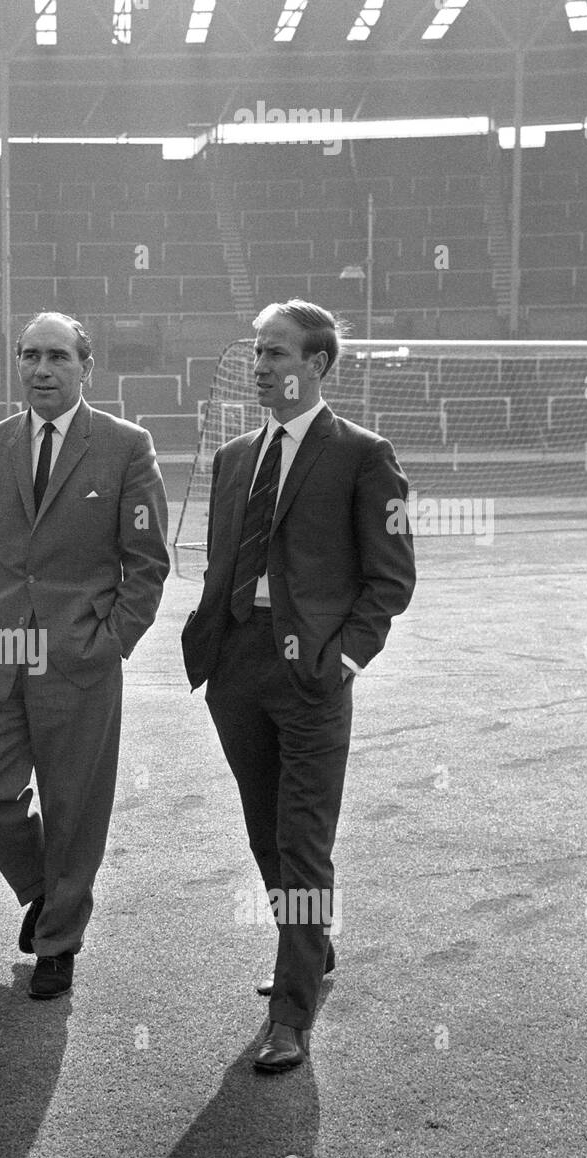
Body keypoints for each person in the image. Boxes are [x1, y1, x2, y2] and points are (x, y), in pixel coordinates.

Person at [181, 299, 415, 1071]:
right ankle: (311, 946)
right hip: (236, 665)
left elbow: (391, 579)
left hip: (311, 675)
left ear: (317, 364)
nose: (260, 367)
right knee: (261, 830)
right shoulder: (233, 458)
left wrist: (343, 660)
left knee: (302, 841)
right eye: (257, 353)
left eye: (277, 354)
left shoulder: (363, 454)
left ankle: (292, 1013)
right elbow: (224, 563)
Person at [0, 311, 170, 1000]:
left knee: (75, 807)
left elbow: (147, 563)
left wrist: (110, 643)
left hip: (79, 656)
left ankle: (58, 943)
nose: (40, 369)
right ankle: (47, 892)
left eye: (56, 357)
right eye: (29, 355)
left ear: (85, 368)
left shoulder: (126, 447)